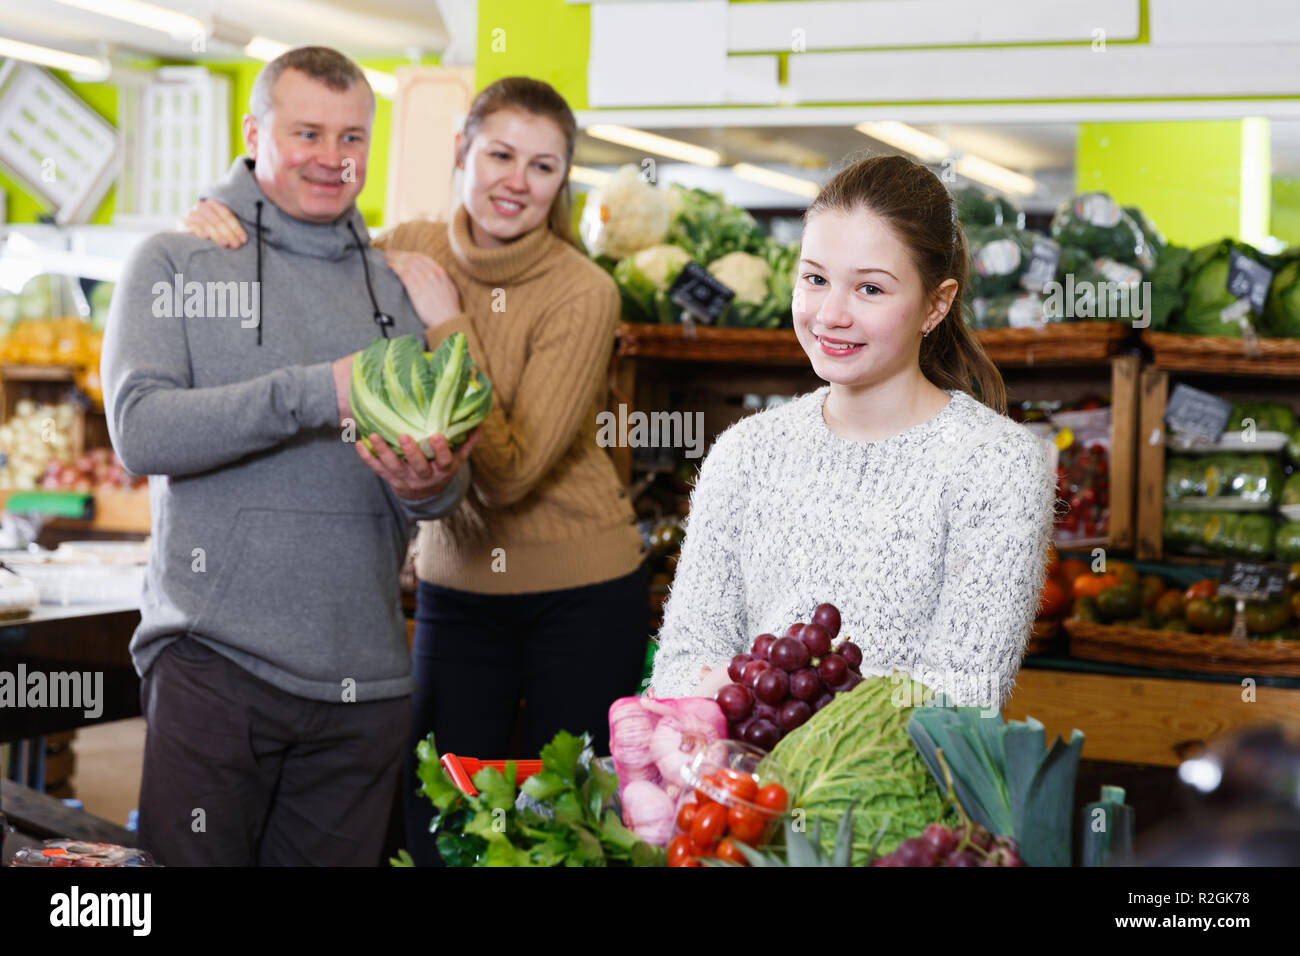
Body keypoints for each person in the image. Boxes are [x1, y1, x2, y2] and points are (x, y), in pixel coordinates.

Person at [181, 76, 648, 866]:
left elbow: (505, 474)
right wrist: (218, 213)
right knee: (436, 816)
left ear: (562, 182)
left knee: (566, 827)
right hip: (457, 586)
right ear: (462, 152)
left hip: (582, 591)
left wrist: (448, 322)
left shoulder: (583, 291)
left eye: (543, 167)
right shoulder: (409, 245)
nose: (516, 182)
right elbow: (305, 246)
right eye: (500, 153)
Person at [101, 46, 476, 867]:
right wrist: (316, 391)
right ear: (254, 131)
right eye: (307, 132)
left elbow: (445, 491)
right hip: (214, 667)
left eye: (351, 138)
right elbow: (142, 431)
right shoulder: (178, 260)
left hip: (364, 685)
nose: (331, 158)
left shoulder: (394, 289)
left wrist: (433, 482)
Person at [650, 154, 1057, 713]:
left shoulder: (997, 464)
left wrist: (779, 702)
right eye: (815, 279)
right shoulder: (745, 453)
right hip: (742, 792)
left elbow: (963, 696)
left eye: (869, 289)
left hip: (898, 796)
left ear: (935, 305)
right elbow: (678, 670)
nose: (831, 314)